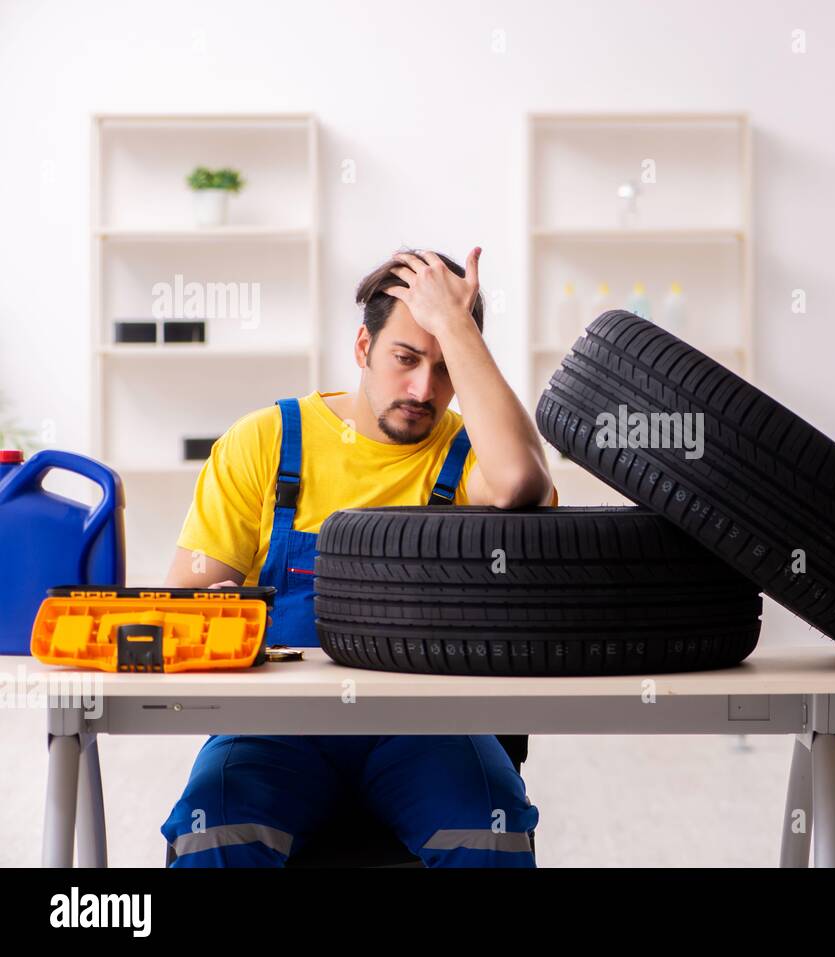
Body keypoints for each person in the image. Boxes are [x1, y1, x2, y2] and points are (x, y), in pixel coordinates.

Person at [159, 247, 554, 866]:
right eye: (405, 358)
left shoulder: (471, 453)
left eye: (447, 366)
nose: (424, 389)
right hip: (275, 727)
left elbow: (519, 485)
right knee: (215, 835)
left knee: (491, 836)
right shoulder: (266, 441)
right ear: (363, 348)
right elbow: (186, 605)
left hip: (429, 725)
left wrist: (458, 323)